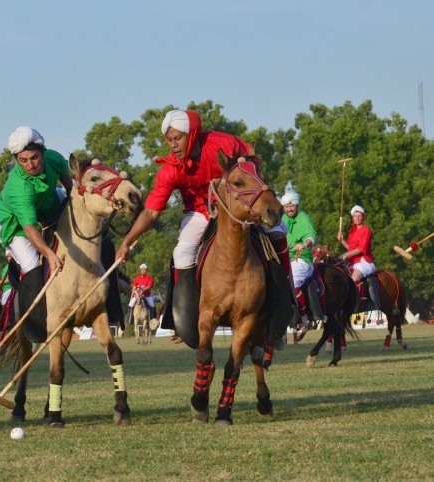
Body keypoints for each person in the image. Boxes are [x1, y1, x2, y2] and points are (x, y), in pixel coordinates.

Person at [116, 109, 288, 346]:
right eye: (169, 140)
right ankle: (181, 320)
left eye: (178, 138)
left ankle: (283, 307)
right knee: (182, 252)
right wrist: (126, 241)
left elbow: (249, 154)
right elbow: (152, 211)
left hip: (238, 207)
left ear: (192, 133)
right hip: (199, 213)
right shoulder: (170, 169)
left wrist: (250, 181)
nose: (174, 145)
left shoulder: (221, 143)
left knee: (279, 231)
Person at [0, 126, 73, 343]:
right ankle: (35, 328)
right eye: (23, 160)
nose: (30, 165)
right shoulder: (18, 187)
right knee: (34, 269)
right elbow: (29, 228)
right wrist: (49, 254)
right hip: (15, 224)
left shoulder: (54, 158)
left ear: (43, 152)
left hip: (46, 204)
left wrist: (73, 201)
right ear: (16, 160)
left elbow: (68, 181)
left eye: (35, 158)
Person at [281, 191, 321, 342]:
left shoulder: (303, 217)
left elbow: (311, 235)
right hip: (286, 259)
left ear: (296, 205)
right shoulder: (284, 218)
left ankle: (304, 319)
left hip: (302, 260)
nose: (289, 209)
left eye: (291, 206)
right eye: (286, 206)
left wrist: (304, 244)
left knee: (293, 282)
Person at [337, 204, 381, 311]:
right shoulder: (353, 232)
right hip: (353, 262)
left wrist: (346, 255)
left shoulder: (365, 230)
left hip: (364, 262)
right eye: (355, 216)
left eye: (359, 216)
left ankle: (360, 303)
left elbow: (361, 249)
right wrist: (342, 240)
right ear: (352, 218)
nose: (357, 218)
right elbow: (351, 249)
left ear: (363, 217)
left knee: (352, 280)